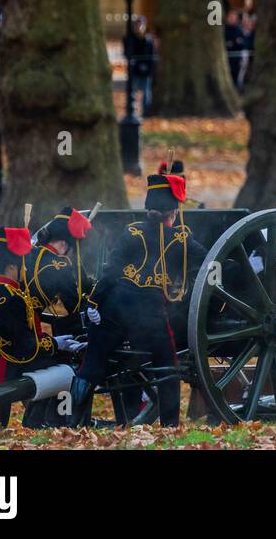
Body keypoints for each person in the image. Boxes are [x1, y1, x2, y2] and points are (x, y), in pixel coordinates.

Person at [70, 172, 208, 427]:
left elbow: (110, 273)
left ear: (148, 210)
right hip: (149, 315)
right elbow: (209, 261)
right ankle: (170, 426)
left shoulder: (130, 232)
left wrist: (93, 303)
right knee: (168, 366)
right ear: (173, 213)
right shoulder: (180, 238)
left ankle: (74, 422)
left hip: (112, 309)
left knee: (91, 366)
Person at [0, 225, 81, 426]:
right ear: (12, 266)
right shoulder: (9, 297)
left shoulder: (8, 291)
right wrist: (55, 344)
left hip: (4, 362)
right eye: (23, 264)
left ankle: (38, 423)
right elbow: (25, 347)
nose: (26, 269)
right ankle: (37, 423)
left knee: (55, 368)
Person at [21, 207, 95, 426]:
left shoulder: (31, 253)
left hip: (25, 320)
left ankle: (43, 418)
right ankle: (54, 418)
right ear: (64, 244)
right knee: (59, 364)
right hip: (32, 328)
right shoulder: (60, 264)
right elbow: (72, 304)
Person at [126, 17, 156, 114]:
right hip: (135, 70)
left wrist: (148, 68)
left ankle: (145, 112)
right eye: (137, 25)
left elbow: (152, 56)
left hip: (146, 71)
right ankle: (132, 111)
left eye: (140, 25)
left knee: (146, 93)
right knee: (133, 91)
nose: (138, 27)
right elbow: (128, 53)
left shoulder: (149, 40)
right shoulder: (131, 40)